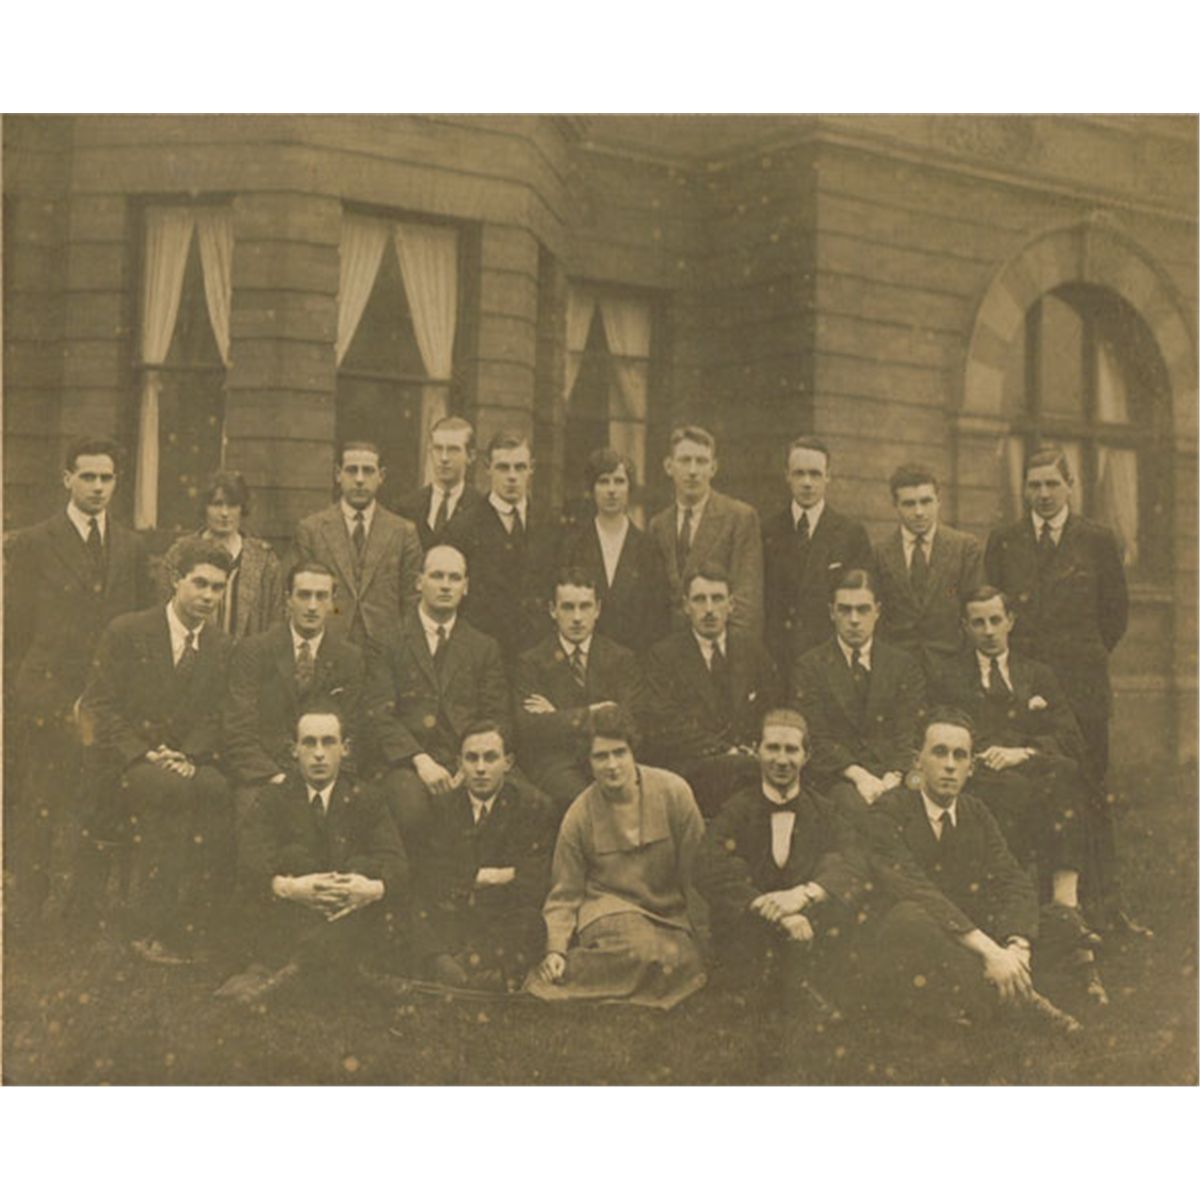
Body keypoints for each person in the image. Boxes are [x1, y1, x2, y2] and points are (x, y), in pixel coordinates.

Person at [983, 446, 1139, 933]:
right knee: (1033, 793)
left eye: (1053, 484)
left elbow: (1114, 616)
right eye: (1034, 485)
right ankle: (1040, 910)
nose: (1044, 495)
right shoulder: (1005, 541)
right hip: (1025, 692)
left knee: (1092, 793)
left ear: (1070, 485)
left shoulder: (1096, 539)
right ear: (1024, 489)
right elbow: (996, 610)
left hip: (1082, 691)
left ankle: (1105, 909)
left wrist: (1078, 662)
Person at [3, 437, 152, 929]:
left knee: (98, 800)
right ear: (66, 478)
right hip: (49, 692)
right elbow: (17, 631)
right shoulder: (34, 542)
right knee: (41, 800)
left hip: (106, 697)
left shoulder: (130, 546)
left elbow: (132, 625)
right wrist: (29, 695)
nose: (97, 487)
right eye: (86, 476)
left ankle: (83, 909)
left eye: (106, 478)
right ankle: (28, 904)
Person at [864, 708, 1082, 1031]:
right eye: (939, 753)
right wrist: (992, 952)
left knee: (1061, 920)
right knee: (909, 917)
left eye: (960, 756)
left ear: (971, 768)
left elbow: (1013, 879)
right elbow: (917, 890)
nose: (950, 765)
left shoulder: (976, 812)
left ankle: (987, 994)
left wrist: (1016, 948)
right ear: (917, 761)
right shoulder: (889, 811)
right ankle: (1023, 1002)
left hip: (971, 941)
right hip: (923, 938)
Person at [79, 538, 234, 965]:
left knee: (219, 791)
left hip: (184, 759)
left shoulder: (221, 646)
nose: (207, 596)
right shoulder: (129, 631)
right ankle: (147, 926)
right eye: (199, 583)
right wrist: (142, 754)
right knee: (168, 792)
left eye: (218, 588)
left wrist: (190, 756)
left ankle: (197, 923)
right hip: (124, 759)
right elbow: (100, 706)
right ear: (175, 579)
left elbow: (218, 714)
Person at [217, 706, 408, 1006]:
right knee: (293, 860)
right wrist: (293, 888)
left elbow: (396, 862)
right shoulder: (273, 798)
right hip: (292, 912)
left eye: (329, 742)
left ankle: (298, 968)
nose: (319, 753)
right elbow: (251, 864)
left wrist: (366, 888)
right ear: (294, 750)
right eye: (309, 743)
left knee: (362, 868)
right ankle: (344, 973)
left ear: (345, 749)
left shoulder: (367, 797)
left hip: (349, 912)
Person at [526, 704, 708, 1010]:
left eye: (619, 753)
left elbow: (698, 872)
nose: (612, 765)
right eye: (601, 756)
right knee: (642, 950)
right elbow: (564, 894)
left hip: (668, 911)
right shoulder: (579, 815)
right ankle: (556, 977)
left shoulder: (673, 791)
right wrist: (555, 949)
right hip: (609, 909)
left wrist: (704, 936)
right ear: (588, 762)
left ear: (633, 751)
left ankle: (603, 984)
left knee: (685, 960)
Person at [699, 709, 869, 1015]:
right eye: (772, 748)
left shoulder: (826, 811)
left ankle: (804, 986)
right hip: (750, 932)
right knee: (733, 870)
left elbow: (855, 864)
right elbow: (709, 867)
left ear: (806, 756)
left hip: (811, 930)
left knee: (832, 864)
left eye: (791, 750)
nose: (781, 760)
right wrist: (773, 910)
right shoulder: (737, 809)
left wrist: (803, 895)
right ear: (757, 750)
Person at [364, 543, 508, 850]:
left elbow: (496, 716)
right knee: (411, 808)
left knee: (529, 803)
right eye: (437, 576)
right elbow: (379, 713)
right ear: (419, 582)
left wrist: (470, 764)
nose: (445, 585)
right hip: (408, 763)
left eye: (454, 578)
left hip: (468, 759)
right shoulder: (388, 642)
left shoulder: (483, 646)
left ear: (466, 587)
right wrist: (421, 761)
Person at [224, 561, 366, 840]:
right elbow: (238, 730)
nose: (312, 606)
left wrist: (324, 780)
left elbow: (354, 729)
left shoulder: (349, 658)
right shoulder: (255, 651)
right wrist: (276, 777)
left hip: (326, 775)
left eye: (321, 596)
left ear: (331, 603)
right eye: (303, 595)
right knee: (254, 828)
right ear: (287, 599)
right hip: (266, 775)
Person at [413, 722, 554, 992]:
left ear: (508, 762)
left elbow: (532, 884)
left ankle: (453, 969)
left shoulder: (532, 806)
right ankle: (471, 973)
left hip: (500, 917)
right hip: (455, 915)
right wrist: (486, 876)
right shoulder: (443, 807)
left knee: (531, 923)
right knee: (415, 905)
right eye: (471, 758)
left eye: (490, 758)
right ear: (459, 763)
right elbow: (431, 875)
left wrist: (463, 878)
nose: (480, 768)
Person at [644, 565, 781, 818]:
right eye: (699, 600)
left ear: (731, 604)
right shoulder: (664, 657)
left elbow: (771, 708)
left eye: (717, 599)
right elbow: (666, 725)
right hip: (693, 767)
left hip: (748, 761)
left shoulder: (752, 650)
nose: (709, 609)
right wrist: (724, 750)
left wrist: (757, 746)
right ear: (686, 606)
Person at [514, 567, 646, 815]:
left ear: (598, 609)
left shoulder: (620, 658)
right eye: (567, 607)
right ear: (553, 610)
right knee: (583, 803)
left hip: (610, 757)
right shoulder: (531, 662)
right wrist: (594, 712)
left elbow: (632, 718)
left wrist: (558, 716)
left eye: (585, 607)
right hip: (557, 764)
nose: (577, 617)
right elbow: (529, 728)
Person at [792, 568, 926, 811]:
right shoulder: (810, 666)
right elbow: (816, 738)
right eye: (845, 609)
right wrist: (859, 776)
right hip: (836, 778)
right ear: (831, 612)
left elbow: (908, 732)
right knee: (850, 807)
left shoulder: (903, 666)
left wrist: (891, 778)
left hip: (894, 777)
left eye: (863, 609)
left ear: (877, 611)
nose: (854, 619)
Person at [293, 441, 422, 648]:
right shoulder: (312, 529)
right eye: (352, 470)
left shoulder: (403, 531)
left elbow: (412, 600)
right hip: (329, 645)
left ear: (381, 476)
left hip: (387, 649)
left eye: (368, 471)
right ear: (337, 474)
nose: (360, 479)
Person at [762, 437, 871, 675]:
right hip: (778, 660)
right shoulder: (767, 531)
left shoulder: (850, 533)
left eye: (815, 474)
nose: (807, 483)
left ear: (828, 476)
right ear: (787, 476)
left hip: (829, 663)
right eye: (799, 474)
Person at [453, 430, 561, 663]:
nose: (512, 476)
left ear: (531, 468)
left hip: (537, 654)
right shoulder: (463, 527)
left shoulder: (550, 524)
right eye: (503, 467)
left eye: (520, 467)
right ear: (487, 467)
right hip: (482, 655)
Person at [648, 424, 764, 638]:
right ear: (669, 466)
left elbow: (746, 601)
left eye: (701, 461)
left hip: (721, 652)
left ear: (713, 468)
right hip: (671, 654)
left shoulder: (739, 518)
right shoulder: (659, 525)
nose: (693, 471)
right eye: (685, 460)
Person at [556, 447, 672, 654]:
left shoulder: (648, 547)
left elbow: (658, 616)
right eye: (603, 481)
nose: (612, 490)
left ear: (629, 488)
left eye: (619, 481)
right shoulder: (572, 545)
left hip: (636, 661)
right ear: (591, 489)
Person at [872, 463, 984, 675]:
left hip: (953, 669)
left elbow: (974, 613)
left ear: (939, 501)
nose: (919, 512)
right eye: (909, 504)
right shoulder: (879, 554)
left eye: (926, 501)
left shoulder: (965, 548)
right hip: (898, 672)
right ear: (895, 505)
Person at [158, 469, 283, 639]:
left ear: (242, 508)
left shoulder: (264, 560)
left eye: (232, 505)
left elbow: (275, 619)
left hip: (247, 658)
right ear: (205, 507)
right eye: (217, 504)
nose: (225, 513)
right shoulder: (180, 553)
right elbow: (163, 611)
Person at [397, 415, 483, 551]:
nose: (444, 458)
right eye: (438, 449)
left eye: (453, 450)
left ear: (470, 456)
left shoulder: (482, 508)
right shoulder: (406, 508)